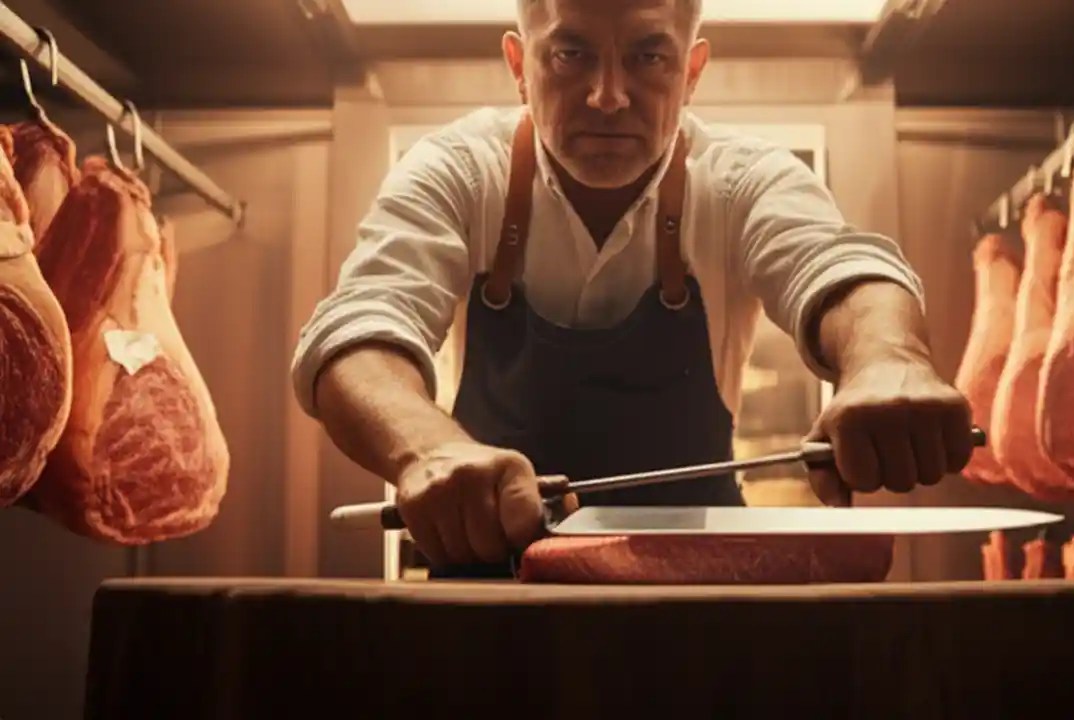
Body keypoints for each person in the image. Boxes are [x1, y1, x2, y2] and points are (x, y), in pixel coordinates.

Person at [290, 0, 974, 576]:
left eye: (649, 58)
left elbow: (840, 267)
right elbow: (359, 329)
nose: (608, 97)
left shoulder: (740, 178)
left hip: (696, 604)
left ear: (692, 71)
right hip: (492, 605)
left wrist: (891, 361)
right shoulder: (459, 171)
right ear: (518, 67)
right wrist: (428, 449)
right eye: (570, 56)